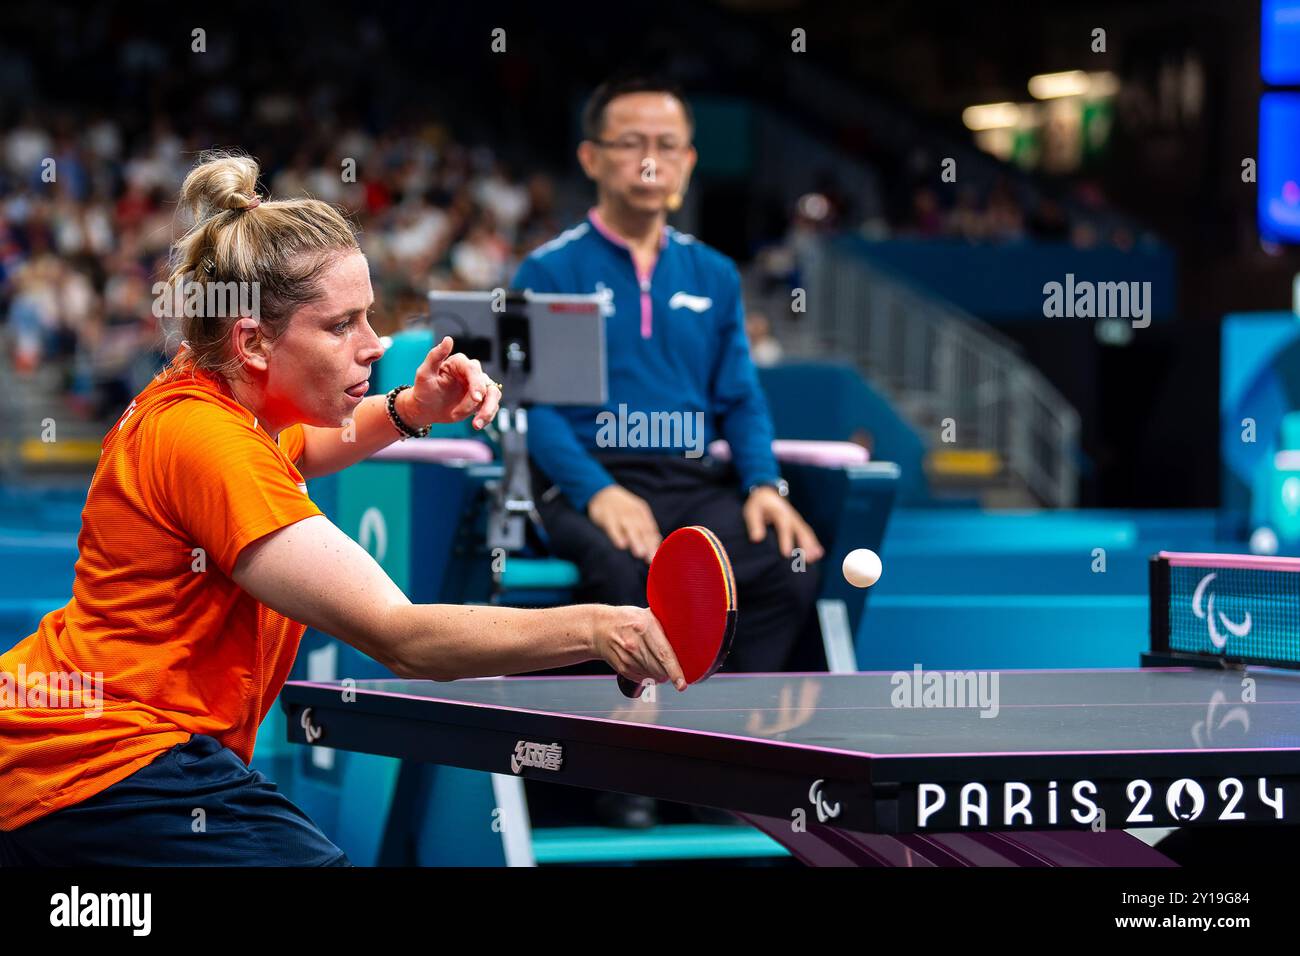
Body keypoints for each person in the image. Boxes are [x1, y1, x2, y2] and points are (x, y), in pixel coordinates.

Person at [0, 152, 686, 866]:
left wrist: (413, 409)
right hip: (98, 764)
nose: (374, 344)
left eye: (371, 316)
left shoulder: (217, 391)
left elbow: (306, 445)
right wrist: (602, 626)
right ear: (254, 340)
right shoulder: (209, 443)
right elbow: (404, 639)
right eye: (342, 326)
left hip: (87, 736)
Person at [511, 76, 825, 827]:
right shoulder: (549, 271)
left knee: (788, 568)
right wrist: (596, 492)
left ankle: (718, 757)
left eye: (667, 146)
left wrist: (763, 485)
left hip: (689, 478)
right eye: (631, 143)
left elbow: (741, 398)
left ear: (687, 162)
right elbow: (536, 412)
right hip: (585, 479)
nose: (650, 160)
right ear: (591, 157)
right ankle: (631, 770)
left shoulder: (713, 275)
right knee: (624, 572)